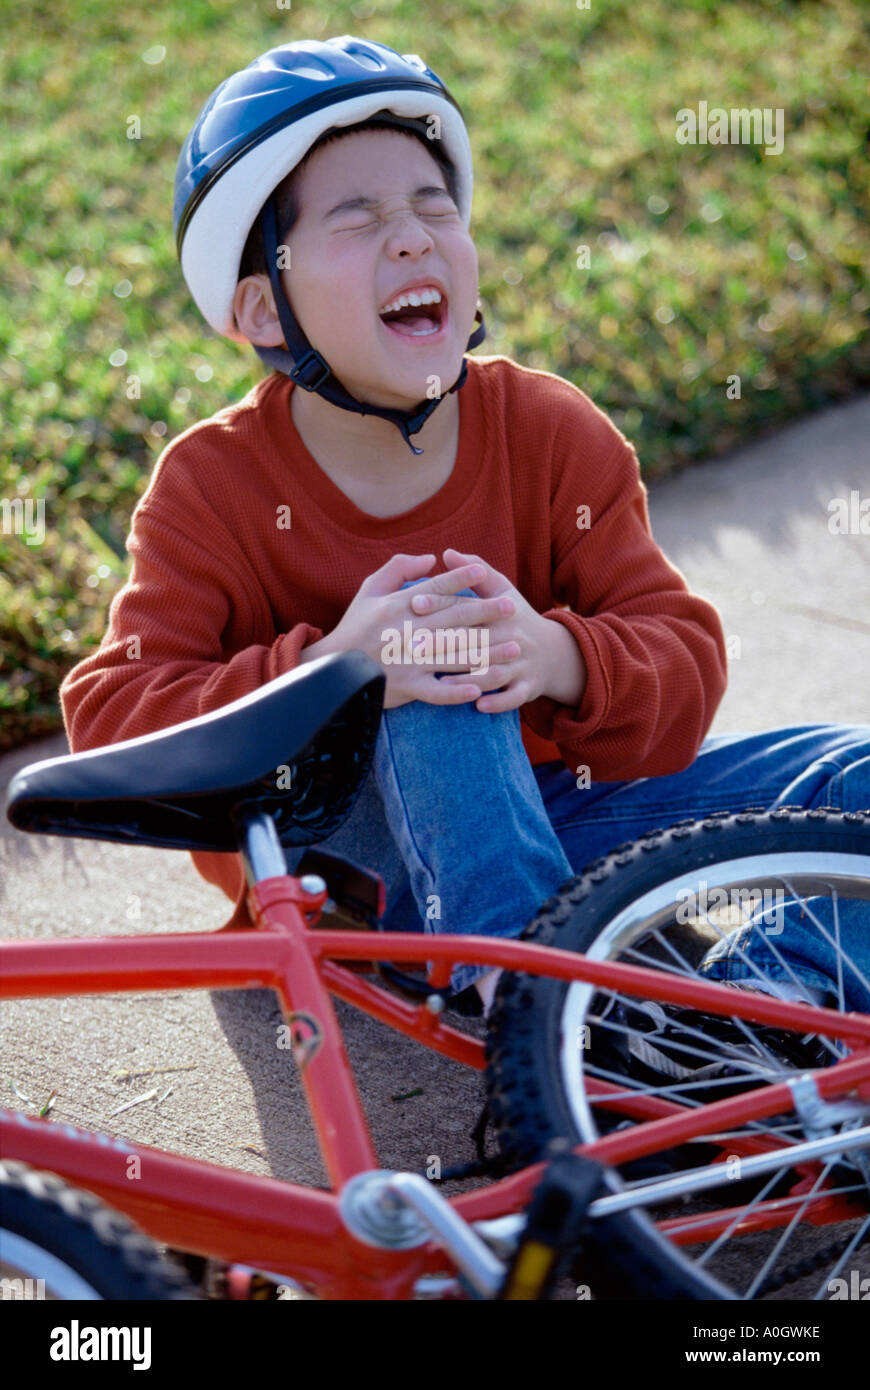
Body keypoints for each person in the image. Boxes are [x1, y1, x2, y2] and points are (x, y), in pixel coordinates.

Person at [59, 36, 870, 1035]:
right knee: (434, 640)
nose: (411, 236)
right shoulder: (209, 486)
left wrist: (558, 653)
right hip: (358, 873)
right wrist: (336, 671)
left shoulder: (548, 428)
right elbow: (112, 716)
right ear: (265, 308)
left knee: (853, 776)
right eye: (357, 216)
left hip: (562, 818)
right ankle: (544, 1008)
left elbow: (684, 663)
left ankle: (771, 1014)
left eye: (432, 205)